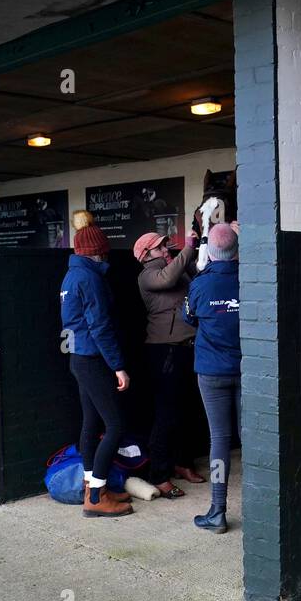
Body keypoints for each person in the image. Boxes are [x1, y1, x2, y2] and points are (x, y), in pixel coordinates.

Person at [61, 213, 133, 518]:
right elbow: (100, 326)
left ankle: (94, 486)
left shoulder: (70, 276)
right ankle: (95, 497)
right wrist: (118, 365)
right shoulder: (90, 279)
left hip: (78, 358)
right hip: (92, 359)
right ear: (98, 251)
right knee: (116, 425)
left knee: (90, 424)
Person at [135, 230, 208, 498]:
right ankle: (159, 475)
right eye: (159, 247)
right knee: (166, 414)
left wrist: (192, 252)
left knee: (188, 410)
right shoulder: (147, 276)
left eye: (166, 244)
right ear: (145, 256)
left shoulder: (175, 267)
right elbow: (168, 279)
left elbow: (196, 277)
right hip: (164, 351)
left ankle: (183, 463)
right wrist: (187, 249)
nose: (165, 249)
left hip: (189, 348)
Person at [184, 223, 241, 533]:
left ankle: (217, 511)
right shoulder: (250, 277)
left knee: (219, 440)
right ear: (236, 251)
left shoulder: (200, 284)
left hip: (211, 371)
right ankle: (265, 511)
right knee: (252, 439)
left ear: (211, 251)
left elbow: (188, 317)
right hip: (247, 370)